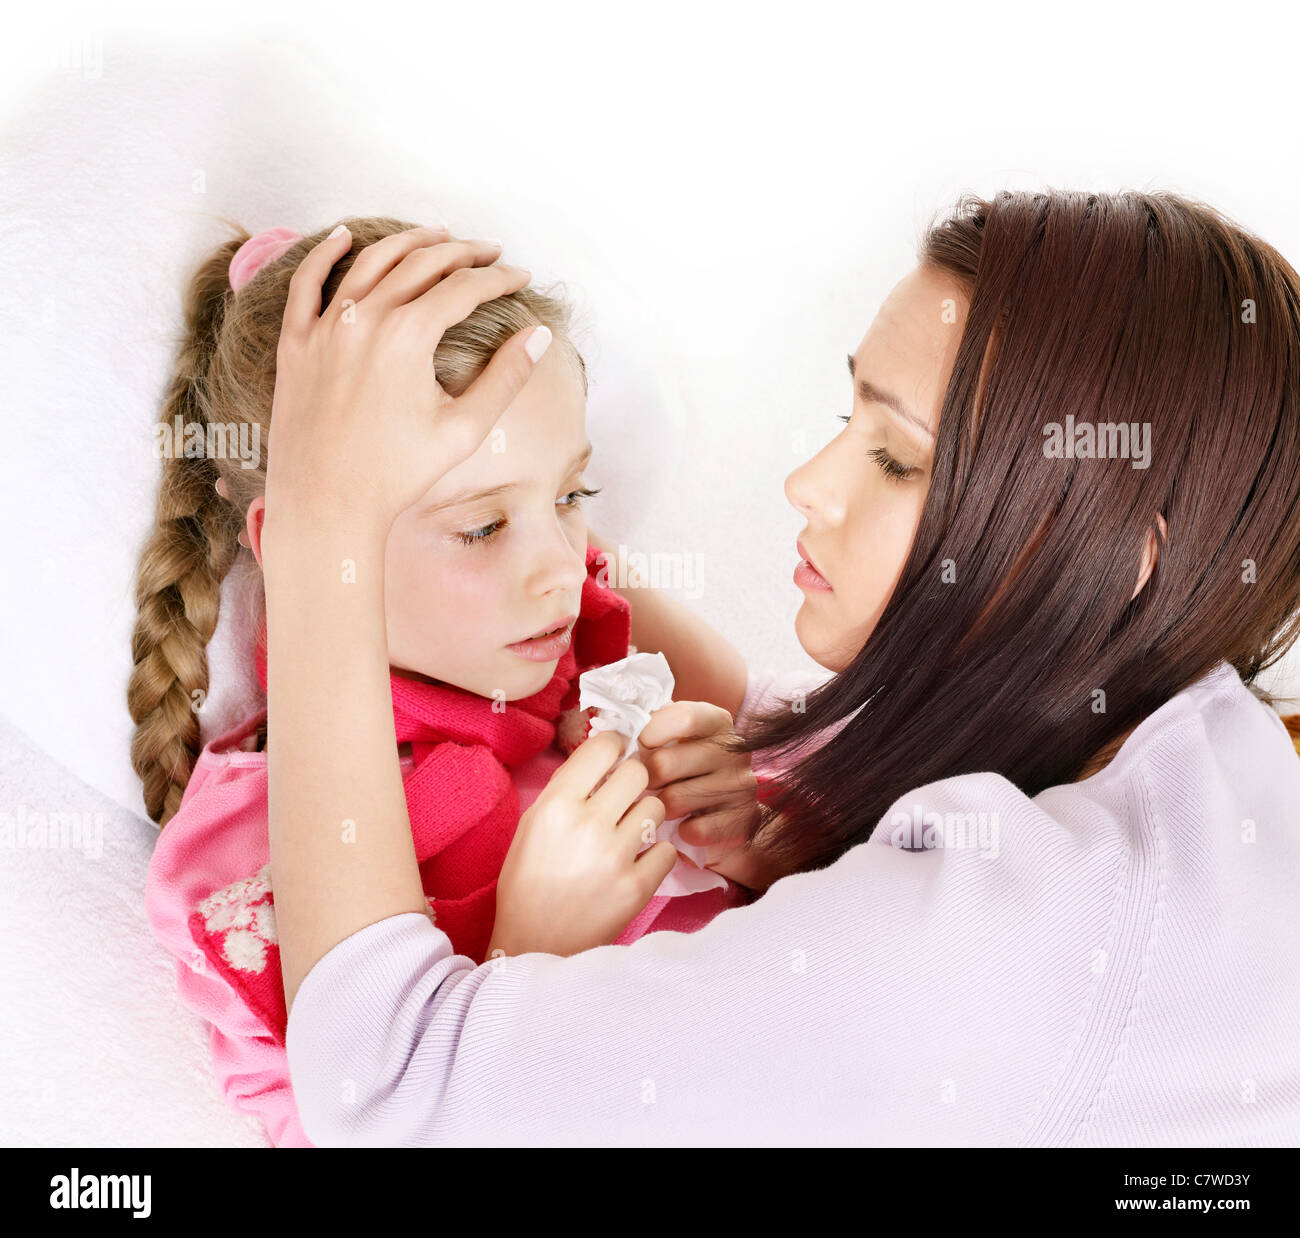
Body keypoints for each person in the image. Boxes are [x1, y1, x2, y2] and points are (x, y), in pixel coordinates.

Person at [262, 190, 1300, 1145]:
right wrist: (808, 845)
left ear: (1120, 555)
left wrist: (321, 530)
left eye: (896, 457)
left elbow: (388, 1086)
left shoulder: (1003, 959)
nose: (807, 482)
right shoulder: (1196, 747)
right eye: (848, 418)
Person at [130, 217, 751, 1145]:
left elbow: (724, 688)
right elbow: (360, 1119)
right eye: (480, 528)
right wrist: (528, 954)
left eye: (573, 497)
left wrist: (753, 833)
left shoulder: (536, 635)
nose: (560, 570)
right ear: (302, 548)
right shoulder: (252, 849)